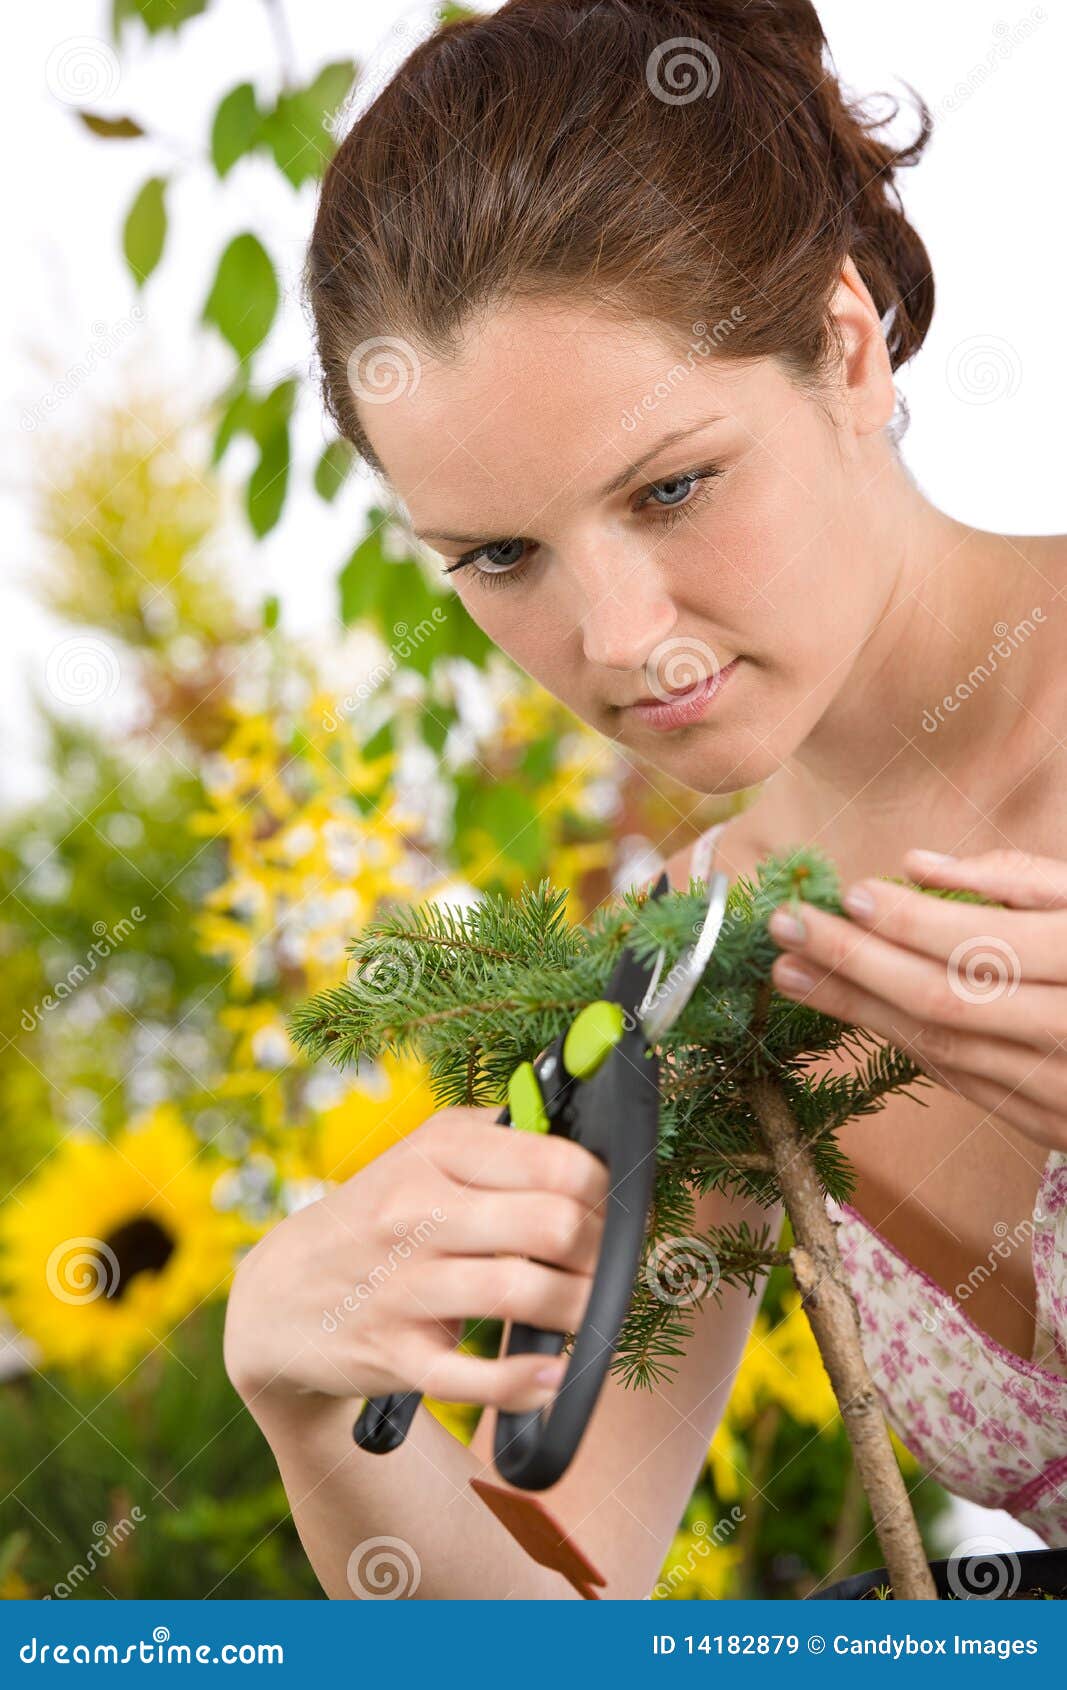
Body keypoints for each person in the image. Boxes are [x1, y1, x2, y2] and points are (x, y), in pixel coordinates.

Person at [223, 0, 1067, 1598]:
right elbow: (541, 1645)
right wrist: (318, 1419)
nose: (616, 643)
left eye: (670, 486)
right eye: (499, 556)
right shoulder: (691, 982)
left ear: (848, 340)